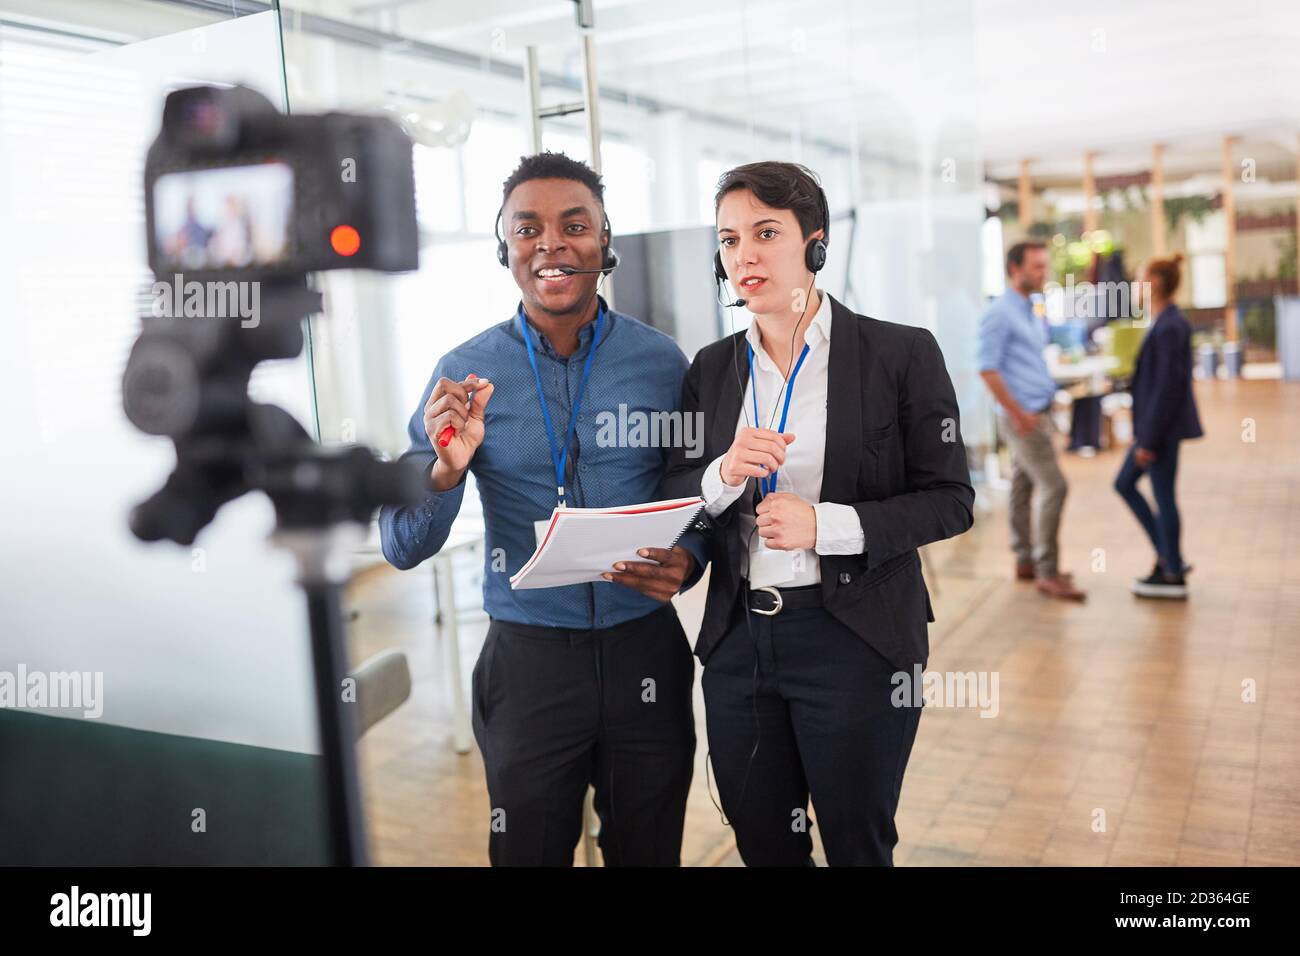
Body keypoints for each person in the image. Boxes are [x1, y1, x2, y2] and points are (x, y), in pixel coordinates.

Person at [379, 152, 706, 866]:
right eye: (527, 228)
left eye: (574, 225)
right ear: (506, 251)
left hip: (644, 649)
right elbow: (401, 545)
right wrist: (445, 468)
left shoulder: (662, 364)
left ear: (604, 244)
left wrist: (693, 557)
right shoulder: (462, 376)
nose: (551, 243)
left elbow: (700, 497)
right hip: (528, 666)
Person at [661, 161, 974, 866]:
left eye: (766, 233)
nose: (744, 254)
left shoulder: (899, 354)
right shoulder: (710, 370)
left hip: (857, 641)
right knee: (765, 845)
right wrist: (719, 474)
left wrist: (828, 526)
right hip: (741, 642)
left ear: (816, 244)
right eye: (730, 238)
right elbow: (680, 487)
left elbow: (951, 500)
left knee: (857, 844)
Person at [977, 242, 1086, 601]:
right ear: (1014, 269)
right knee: (1056, 486)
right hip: (1024, 416)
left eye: (1044, 266)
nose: (1044, 273)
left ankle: (1025, 560)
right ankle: (1048, 571)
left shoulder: (1030, 309)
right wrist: (1018, 414)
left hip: (1038, 410)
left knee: (1023, 486)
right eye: (1036, 267)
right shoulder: (1000, 313)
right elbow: (987, 368)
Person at [1113, 252, 1203, 598]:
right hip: (1157, 429)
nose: (1135, 287)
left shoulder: (1170, 326)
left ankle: (1172, 567)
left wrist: (1147, 440)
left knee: (1152, 492)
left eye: (1140, 280)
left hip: (1159, 431)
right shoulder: (1165, 321)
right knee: (1143, 489)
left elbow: (1167, 388)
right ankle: (1169, 559)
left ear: (1155, 284)